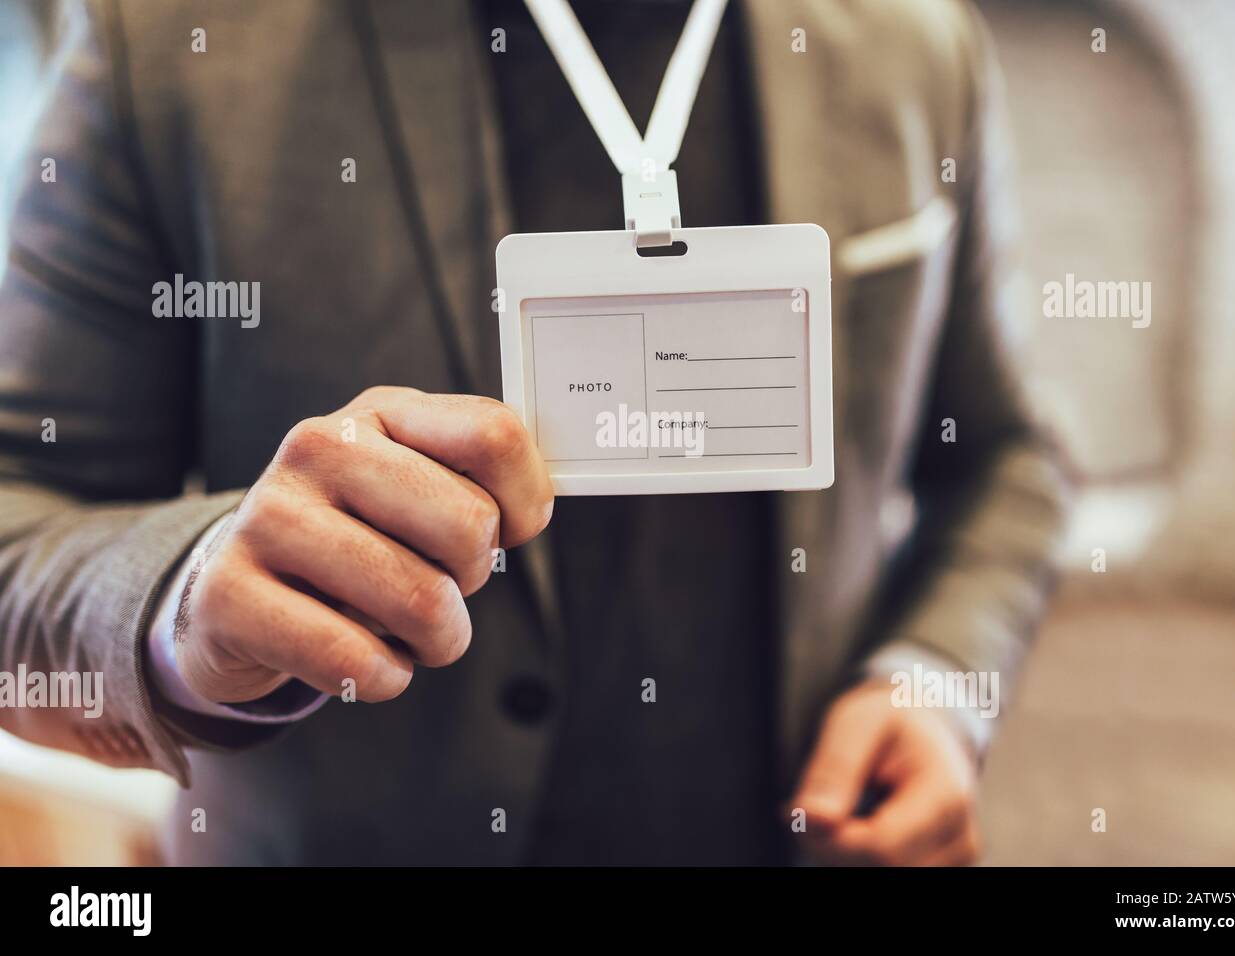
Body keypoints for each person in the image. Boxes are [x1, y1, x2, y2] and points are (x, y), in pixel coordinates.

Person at [0, 0, 1068, 865]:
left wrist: (932, 683)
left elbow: (1006, 458)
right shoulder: (171, 44)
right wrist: (189, 603)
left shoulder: (918, 41)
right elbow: (17, 517)